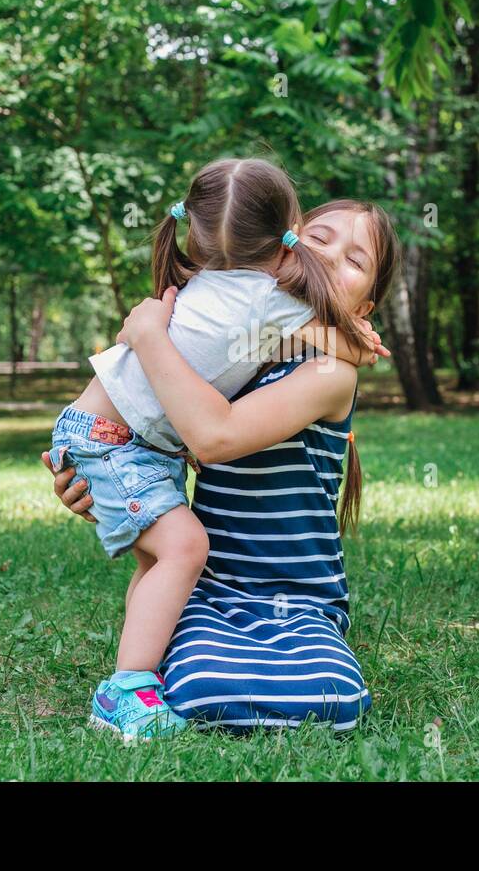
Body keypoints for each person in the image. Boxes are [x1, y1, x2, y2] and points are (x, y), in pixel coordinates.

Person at [48, 162, 388, 742]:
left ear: (367, 305)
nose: (331, 260)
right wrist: (93, 476)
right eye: (319, 240)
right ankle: (131, 685)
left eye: (355, 261)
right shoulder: (250, 335)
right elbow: (155, 415)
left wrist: (150, 335)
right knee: (204, 685)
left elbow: (211, 436)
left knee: (329, 698)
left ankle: (139, 682)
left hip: (296, 598)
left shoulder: (327, 372)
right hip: (214, 586)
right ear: (282, 250)